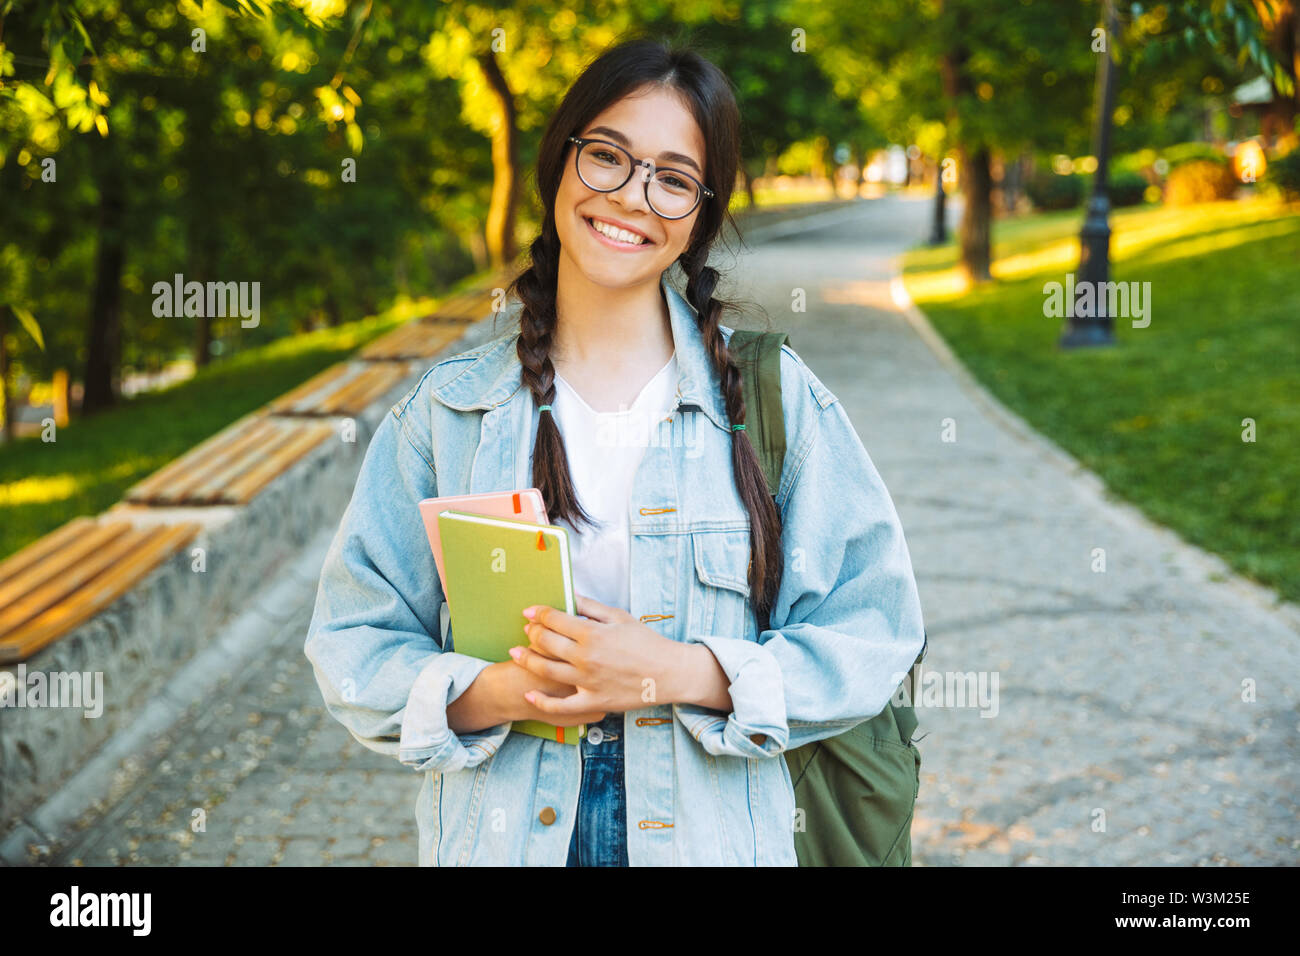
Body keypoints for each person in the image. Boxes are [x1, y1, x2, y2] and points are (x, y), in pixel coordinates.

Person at [304, 35, 926, 867]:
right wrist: (498, 693)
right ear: (560, 164)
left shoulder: (776, 400)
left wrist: (677, 671)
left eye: (673, 178)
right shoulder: (448, 412)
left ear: (700, 215)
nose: (633, 198)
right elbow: (351, 639)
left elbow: (875, 629)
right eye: (608, 157)